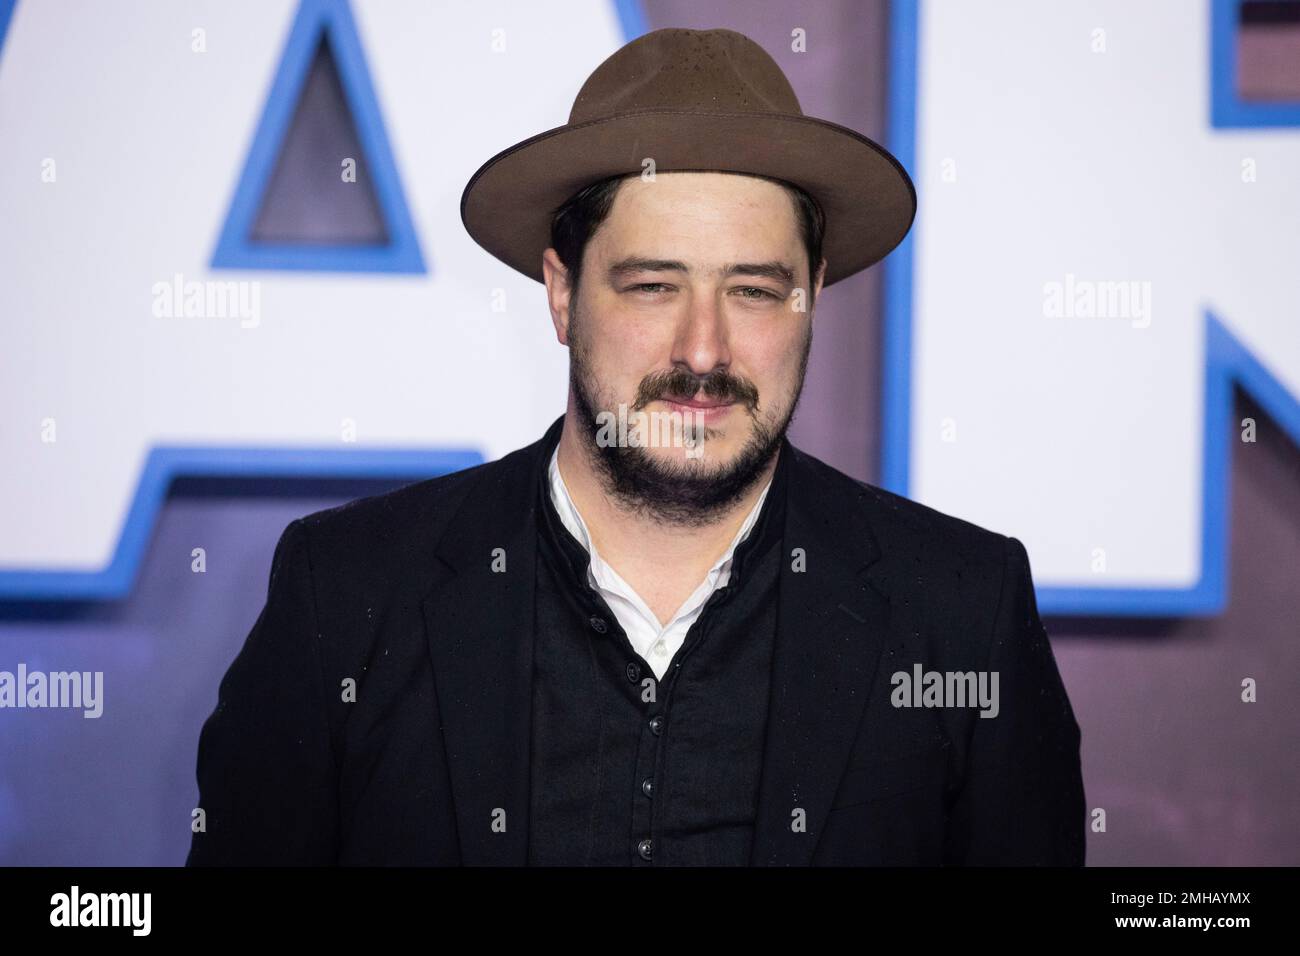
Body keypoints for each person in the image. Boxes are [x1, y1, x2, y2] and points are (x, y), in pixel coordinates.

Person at [187, 27, 1084, 866]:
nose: (703, 351)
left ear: (813, 294)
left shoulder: (963, 616)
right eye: (654, 286)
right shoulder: (346, 597)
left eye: (756, 292)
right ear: (562, 294)